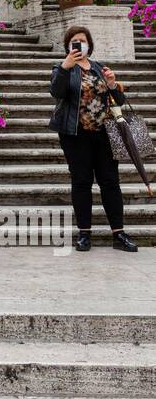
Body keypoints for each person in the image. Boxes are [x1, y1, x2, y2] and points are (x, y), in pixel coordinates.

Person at [49, 27, 137, 254]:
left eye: (83, 41)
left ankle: (119, 233)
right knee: (81, 182)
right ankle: (84, 233)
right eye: (74, 41)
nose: (79, 45)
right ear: (68, 45)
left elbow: (118, 99)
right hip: (75, 135)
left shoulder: (99, 68)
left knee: (110, 182)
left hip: (104, 134)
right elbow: (56, 93)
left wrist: (112, 84)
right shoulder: (62, 68)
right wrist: (66, 67)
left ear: (90, 44)